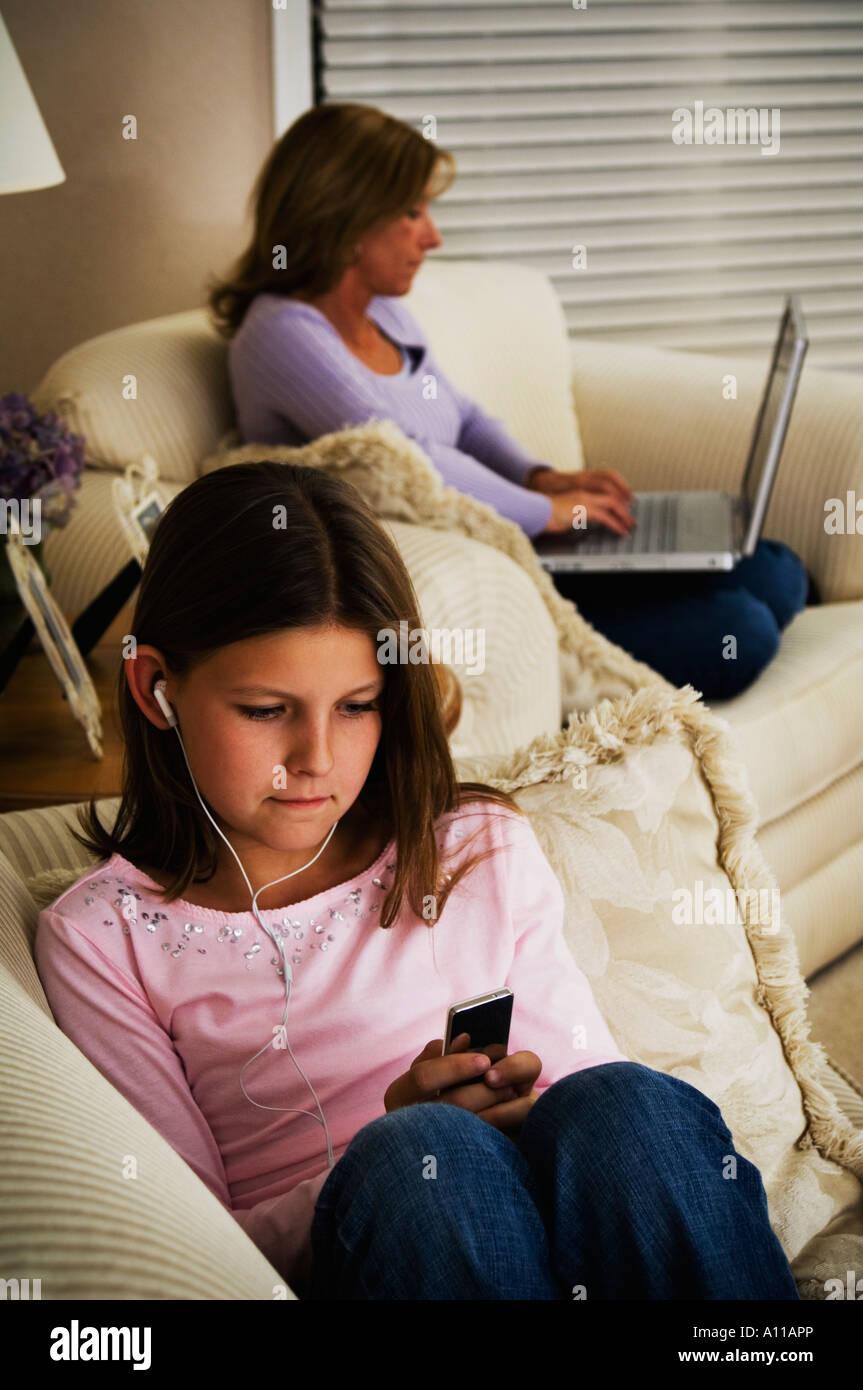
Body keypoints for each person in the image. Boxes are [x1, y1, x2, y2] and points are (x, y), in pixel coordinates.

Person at [35, 461, 800, 1300]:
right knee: (422, 1163)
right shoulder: (104, 937)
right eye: (264, 711)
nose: (317, 760)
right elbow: (183, 1244)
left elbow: (583, 1093)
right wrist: (402, 1134)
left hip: (564, 1238)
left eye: (356, 706)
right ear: (158, 690)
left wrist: (518, 1105)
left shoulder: (469, 845)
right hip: (383, 1244)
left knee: (628, 1105)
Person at [206, 101, 814, 702]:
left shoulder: (383, 312)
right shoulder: (281, 332)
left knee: (779, 568)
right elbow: (405, 457)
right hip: (490, 586)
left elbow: (464, 420)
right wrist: (545, 512)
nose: (433, 236)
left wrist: (542, 478)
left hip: (515, 543)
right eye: (412, 212)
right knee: (743, 627)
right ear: (347, 215)